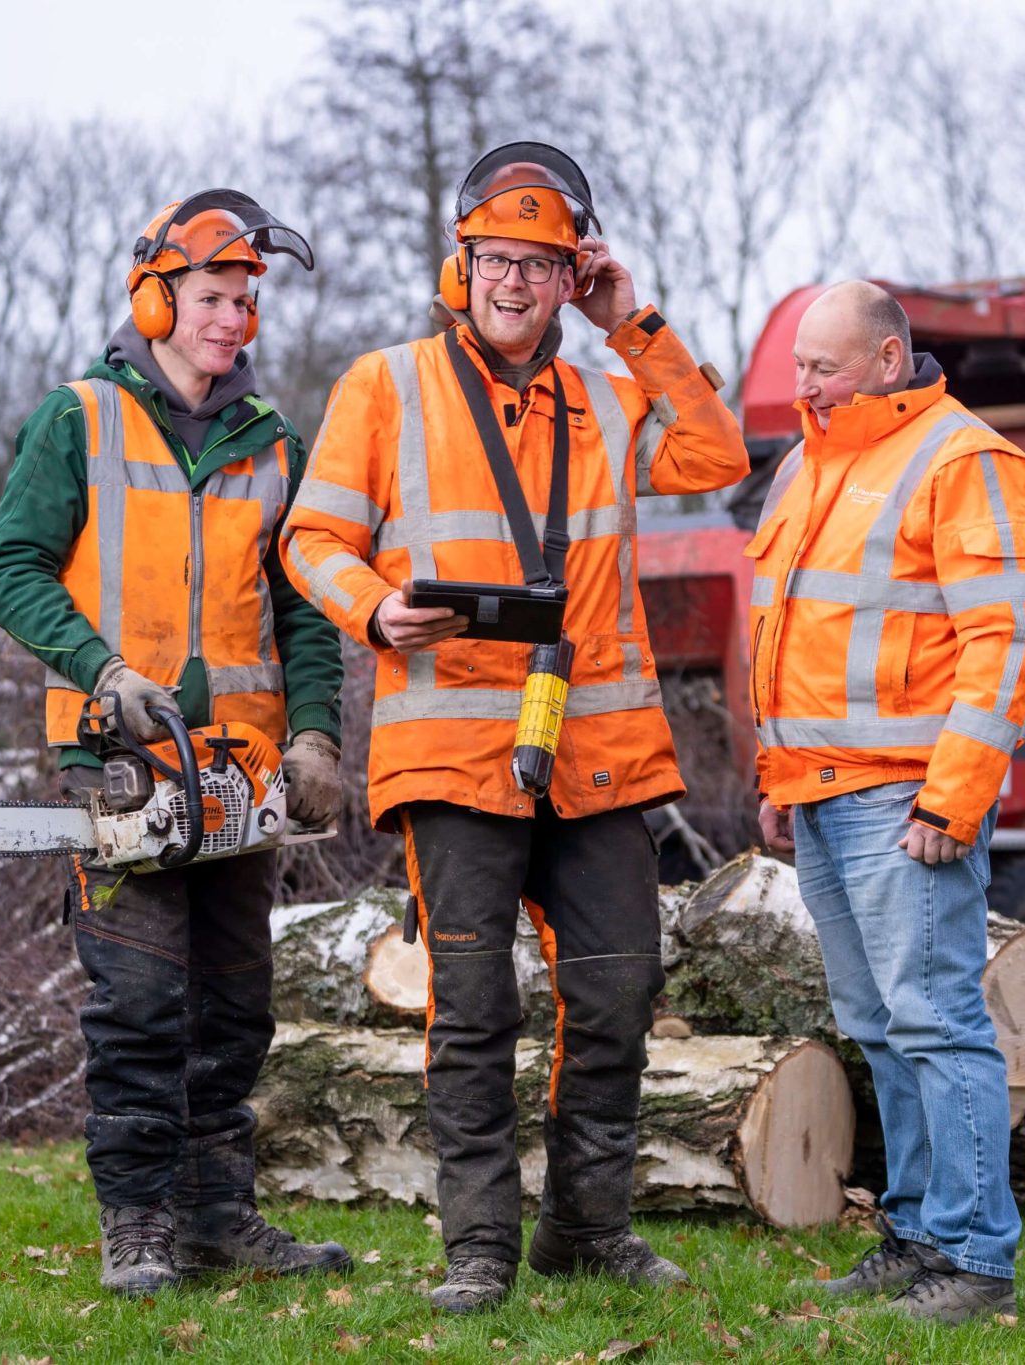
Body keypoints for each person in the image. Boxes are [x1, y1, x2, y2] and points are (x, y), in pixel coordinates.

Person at [281, 142, 747, 1314]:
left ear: (567, 275)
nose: (514, 283)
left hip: (596, 757)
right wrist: (375, 610)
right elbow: (310, 541)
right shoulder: (384, 386)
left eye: (541, 265)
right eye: (496, 258)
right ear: (461, 263)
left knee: (617, 993)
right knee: (472, 1006)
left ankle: (586, 1229)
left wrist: (629, 319)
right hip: (451, 754)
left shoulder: (602, 390)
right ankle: (479, 1246)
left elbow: (715, 454)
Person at [0, 191, 349, 1297]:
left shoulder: (273, 441)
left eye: (243, 301)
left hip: (240, 768)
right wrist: (104, 671)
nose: (230, 319)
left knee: (233, 1005)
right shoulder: (79, 419)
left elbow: (304, 613)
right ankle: (135, 1220)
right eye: (210, 298)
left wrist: (319, 733)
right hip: (119, 756)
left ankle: (214, 1215)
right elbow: (8, 569)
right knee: (138, 1003)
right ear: (156, 297)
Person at [748, 280, 1025, 1323]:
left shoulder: (965, 460)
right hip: (823, 793)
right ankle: (916, 1236)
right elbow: (791, 635)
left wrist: (951, 802)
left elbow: (1001, 643)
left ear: (885, 359)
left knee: (936, 1025)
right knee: (878, 1026)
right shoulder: (805, 463)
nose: (805, 386)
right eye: (797, 367)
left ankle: (974, 1261)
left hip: (904, 799)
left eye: (822, 368)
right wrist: (776, 776)